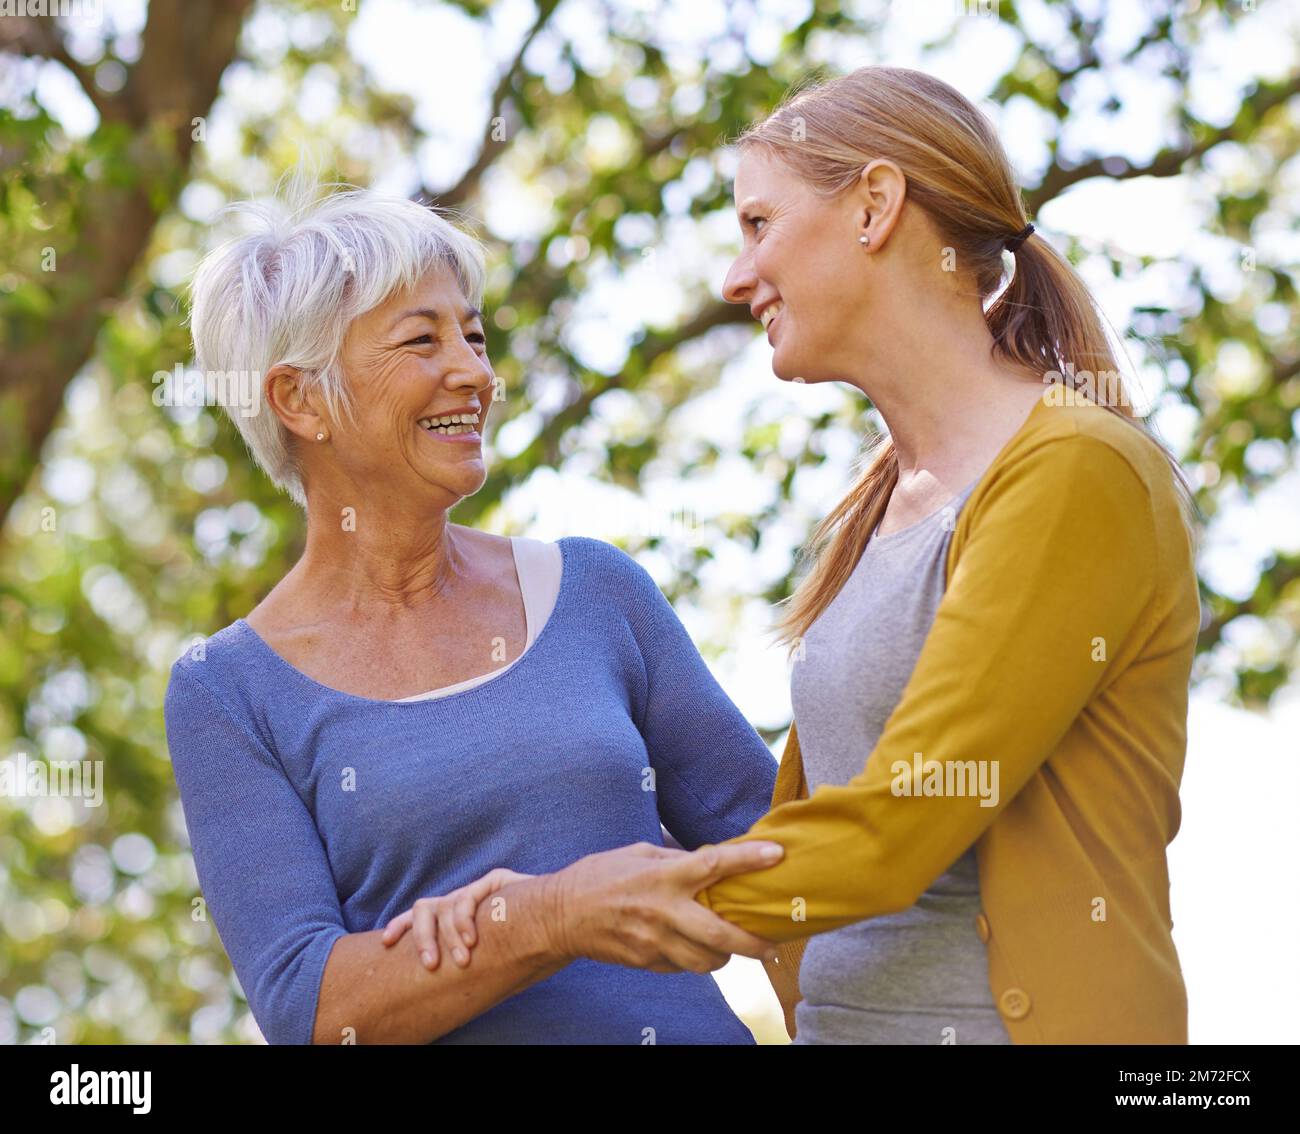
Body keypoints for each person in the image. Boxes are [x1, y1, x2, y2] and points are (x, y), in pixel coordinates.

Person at [413, 65, 1202, 1046]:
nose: (734, 280)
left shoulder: (1075, 475)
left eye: (757, 226)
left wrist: (567, 909)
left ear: (874, 205)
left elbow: (896, 825)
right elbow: (804, 828)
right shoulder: (876, 510)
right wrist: (540, 872)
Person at [164, 181, 787, 1045]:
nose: (477, 373)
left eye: (475, 335)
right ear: (299, 400)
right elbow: (310, 1009)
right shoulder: (227, 691)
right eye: (422, 340)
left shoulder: (598, 592)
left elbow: (783, 862)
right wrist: (547, 916)